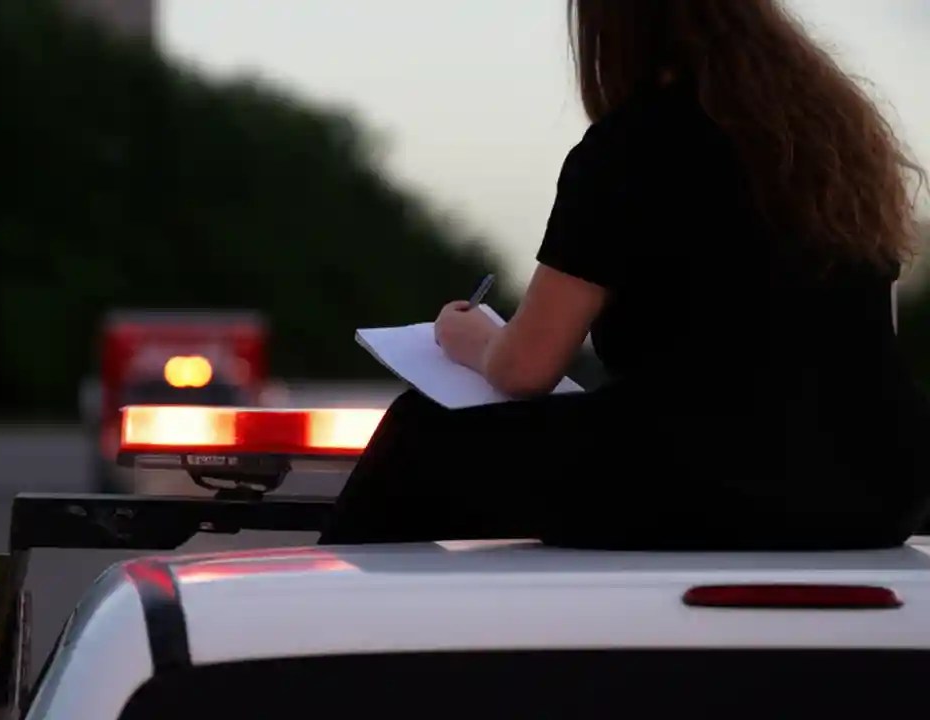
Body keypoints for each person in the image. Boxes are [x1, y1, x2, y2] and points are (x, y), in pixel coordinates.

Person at [318, 0, 930, 550]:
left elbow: (526, 370)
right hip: (879, 485)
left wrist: (472, 338)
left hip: (713, 477)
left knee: (420, 435)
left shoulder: (630, 144)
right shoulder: (840, 149)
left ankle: (333, 636)